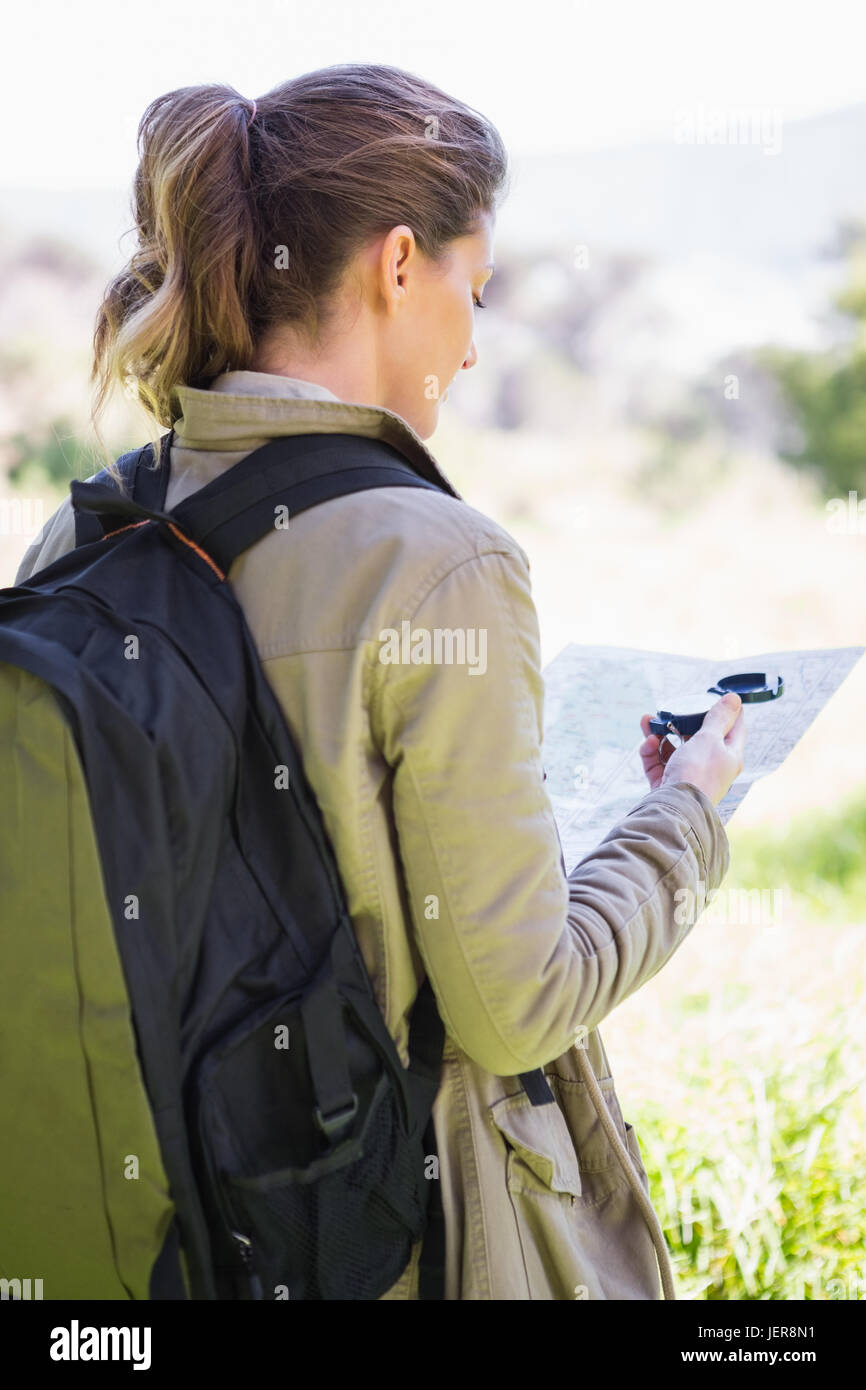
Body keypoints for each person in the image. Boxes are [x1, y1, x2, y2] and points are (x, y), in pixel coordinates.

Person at [14, 63, 745, 1300]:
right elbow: (518, 1008)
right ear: (398, 266)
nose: (471, 337)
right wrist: (685, 820)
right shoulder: (435, 558)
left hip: (143, 1255)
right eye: (474, 286)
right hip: (389, 1245)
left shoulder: (81, 543)